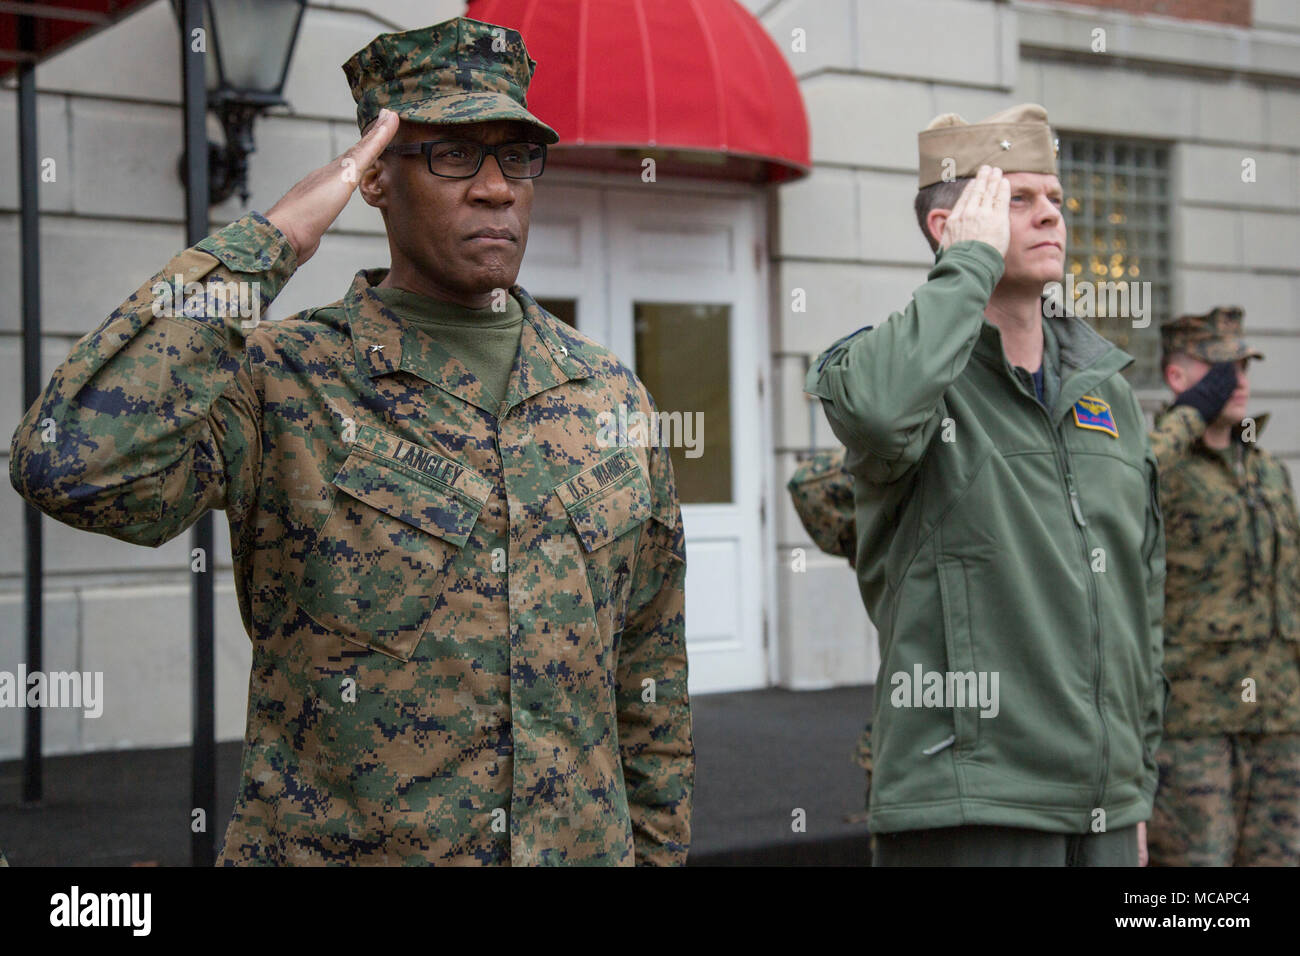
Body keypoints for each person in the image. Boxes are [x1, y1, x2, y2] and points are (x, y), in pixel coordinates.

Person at [9, 16, 693, 866]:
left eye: (515, 157)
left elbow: (649, 677)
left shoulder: (608, 397)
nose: (495, 189)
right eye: (452, 155)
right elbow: (69, 464)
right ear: (374, 180)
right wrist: (274, 239)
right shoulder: (282, 379)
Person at [804, 104, 1166, 866]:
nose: (1051, 217)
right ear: (950, 224)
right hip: (970, 800)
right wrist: (966, 268)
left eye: (1057, 200)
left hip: (1101, 804)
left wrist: (1134, 785)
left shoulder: (1108, 393)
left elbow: (1142, 595)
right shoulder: (895, 373)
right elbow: (874, 411)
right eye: (1019, 200)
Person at [1146, 307, 1300, 866]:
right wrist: (1189, 416)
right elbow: (1117, 490)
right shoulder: (1156, 463)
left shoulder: (1265, 468)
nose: (1237, 382)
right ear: (1177, 378)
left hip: (1278, 715)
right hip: (1194, 721)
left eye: (1243, 367)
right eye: (1218, 368)